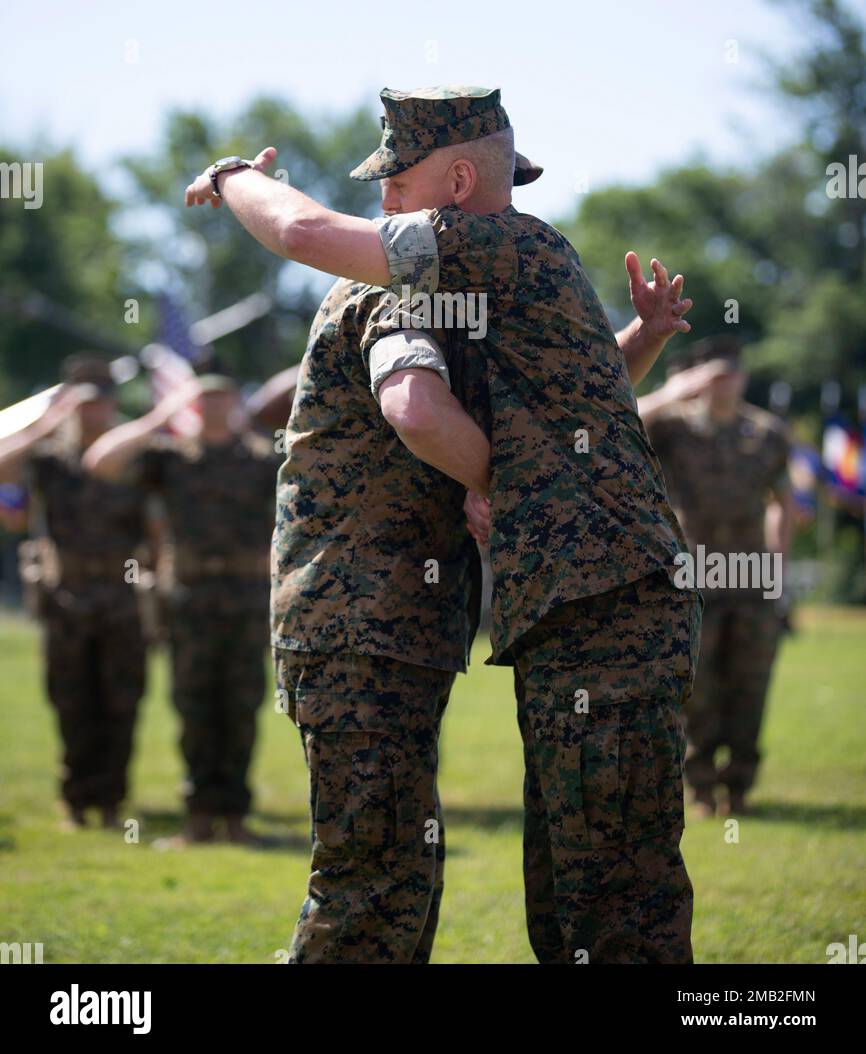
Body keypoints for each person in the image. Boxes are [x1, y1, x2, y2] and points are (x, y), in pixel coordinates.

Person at [183, 85, 699, 964]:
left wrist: (230, 175)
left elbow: (310, 239)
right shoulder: (469, 286)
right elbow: (553, 408)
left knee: (597, 896)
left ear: (460, 183)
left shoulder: (489, 259)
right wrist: (527, 463)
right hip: (492, 612)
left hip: (586, 603)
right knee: (533, 891)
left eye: (396, 180)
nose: (380, 199)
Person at [84, 370, 280, 845]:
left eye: (220, 397)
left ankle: (233, 816)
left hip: (244, 596)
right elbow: (100, 463)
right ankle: (198, 816)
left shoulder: (259, 458)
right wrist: (159, 416)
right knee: (192, 706)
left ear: (235, 401)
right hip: (189, 597)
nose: (212, 406)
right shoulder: (170, 457)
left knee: (240, 706)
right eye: (203, 398)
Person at [639, 336, 794, 817]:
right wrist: (675, 389)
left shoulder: (767, 433)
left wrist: (778, 560)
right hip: (695, 577)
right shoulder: (673, 425)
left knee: (750, 684)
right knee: (697, 686)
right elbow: (619, 420)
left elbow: (784, 502)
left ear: (744, 378)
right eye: (714, 373)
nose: (723, 382)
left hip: (752, 577)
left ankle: (740, 785)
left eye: (731, 373)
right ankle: (701, 784)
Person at [0, 355, 148, 829]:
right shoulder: (46, 460)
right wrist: (48, 423)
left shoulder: (130, 459)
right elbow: (3, 472)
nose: (93, 412)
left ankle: (111, 801)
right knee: (71, 700)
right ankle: (75, 798)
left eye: (101, 402)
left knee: (120, 701)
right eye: (82, 403)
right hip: (66, 597)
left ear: (112, 405)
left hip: (121, 597)